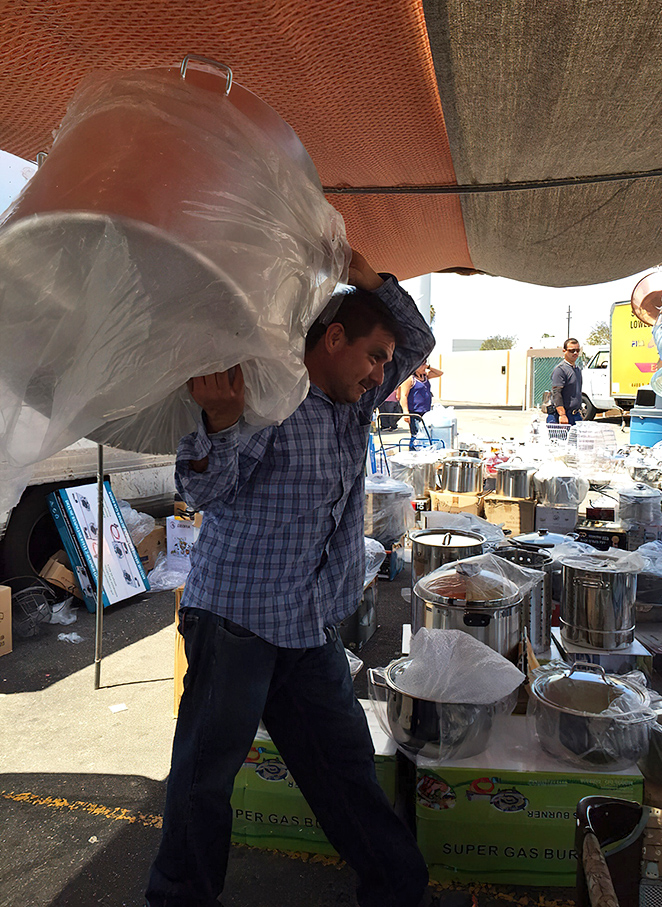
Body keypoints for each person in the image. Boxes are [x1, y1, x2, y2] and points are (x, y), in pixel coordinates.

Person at [145, 250, 455, 907]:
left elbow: (417, 339)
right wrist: (223, 423)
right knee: (204, 776)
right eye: (373, 356)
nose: (381, 373)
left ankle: (401, 893)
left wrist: (365, 277)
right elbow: (202, 491)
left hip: (300, 623)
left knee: (344, 771)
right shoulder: (267, 392)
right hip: (232, 618)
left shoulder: (353, 399)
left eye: (383, 362)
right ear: (333, 339)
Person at [400, 361, 444, 445]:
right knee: (416, 435)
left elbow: (440, 373)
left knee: (425, 434)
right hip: (415, 412)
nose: (424, 367)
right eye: (422, 365)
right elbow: (403, 396)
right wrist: (405, 412)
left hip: (426, 411)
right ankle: (413, 450)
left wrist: (429, 367)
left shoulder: (425, 377)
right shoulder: (410, 379)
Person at [547, 338, 583, 426]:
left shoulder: (577, 370)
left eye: (577, 350)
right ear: (564, 351)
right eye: (572, 350)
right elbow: (557, 393)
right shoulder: (560, 370)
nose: (575, 353)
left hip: (575, 415)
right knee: (561, 440)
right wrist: (562, 415)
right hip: (563, 416)